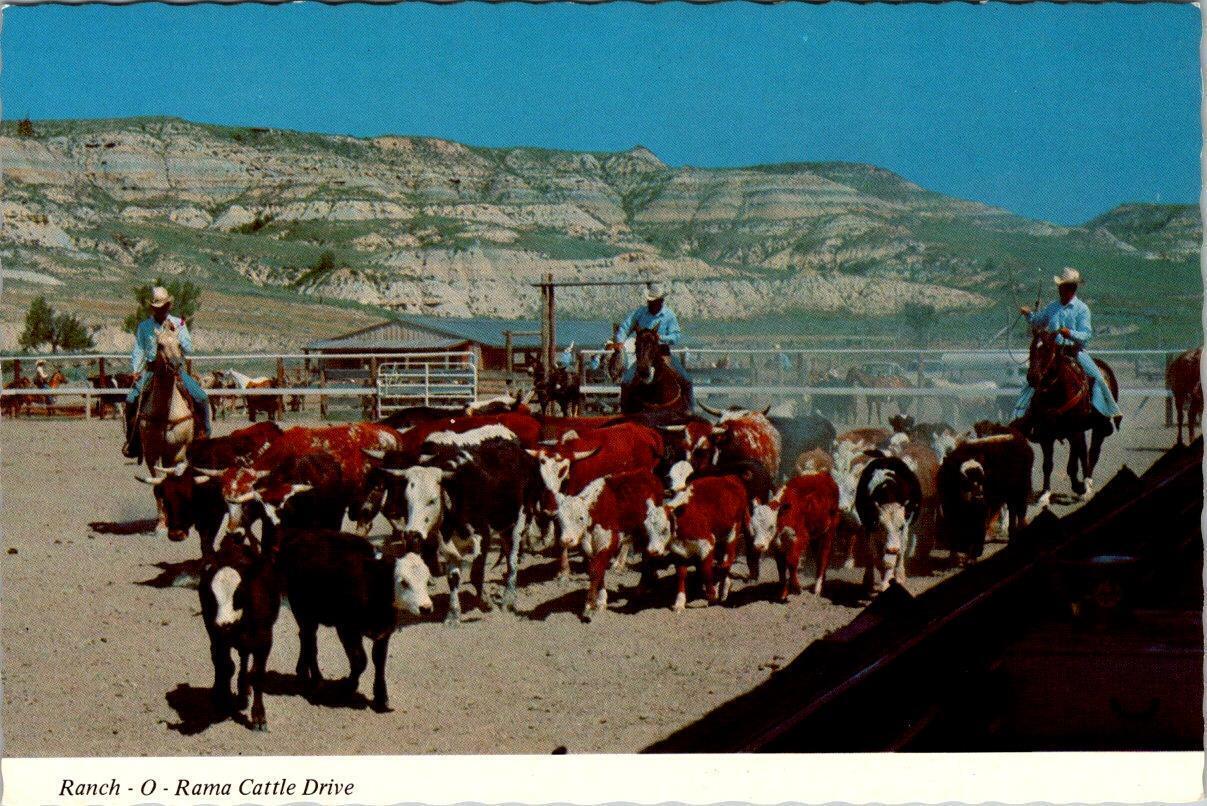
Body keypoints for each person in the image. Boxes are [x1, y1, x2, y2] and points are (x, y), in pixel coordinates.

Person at [1012, 267, 1122, 427]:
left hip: (1074, 352)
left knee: (1098, 377)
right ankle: (1022, 415)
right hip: (1052, 352)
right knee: (1033, 378)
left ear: (1074, 288)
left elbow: (1086, 334)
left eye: (1070, 286)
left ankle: (1107, 413)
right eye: (1063, 286)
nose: (1065, 289)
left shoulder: (1082, 309)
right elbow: (1039, 320)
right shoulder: (1052, 307)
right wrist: (1028, 314)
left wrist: (1070, 333)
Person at [123, 286, 210, 458]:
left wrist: (177, 335)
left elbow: (189, 349)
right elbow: (139, 350)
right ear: (153, 308)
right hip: (151, 371)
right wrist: (135, 371)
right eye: (157, 308)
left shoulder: (179, 323)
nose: (161, 310)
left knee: (201, 397)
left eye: (164, 306)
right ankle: (133, 441)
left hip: (176, 371)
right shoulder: (144, 327)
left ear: (169, 306)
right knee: (131, 399)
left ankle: (203, 435)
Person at [615, 282, 688, 384]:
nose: (651, 304)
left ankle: (689, 400)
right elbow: (625, 327)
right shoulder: (639, 313)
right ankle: (624, 400)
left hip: (663, 354)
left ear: (661, 301)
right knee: (626, 380)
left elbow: (675, 336)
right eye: (649, 301)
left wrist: (661, 337)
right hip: (643, 355)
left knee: (686, 379)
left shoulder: (669, 315)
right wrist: (620, 341)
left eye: (654, 301)